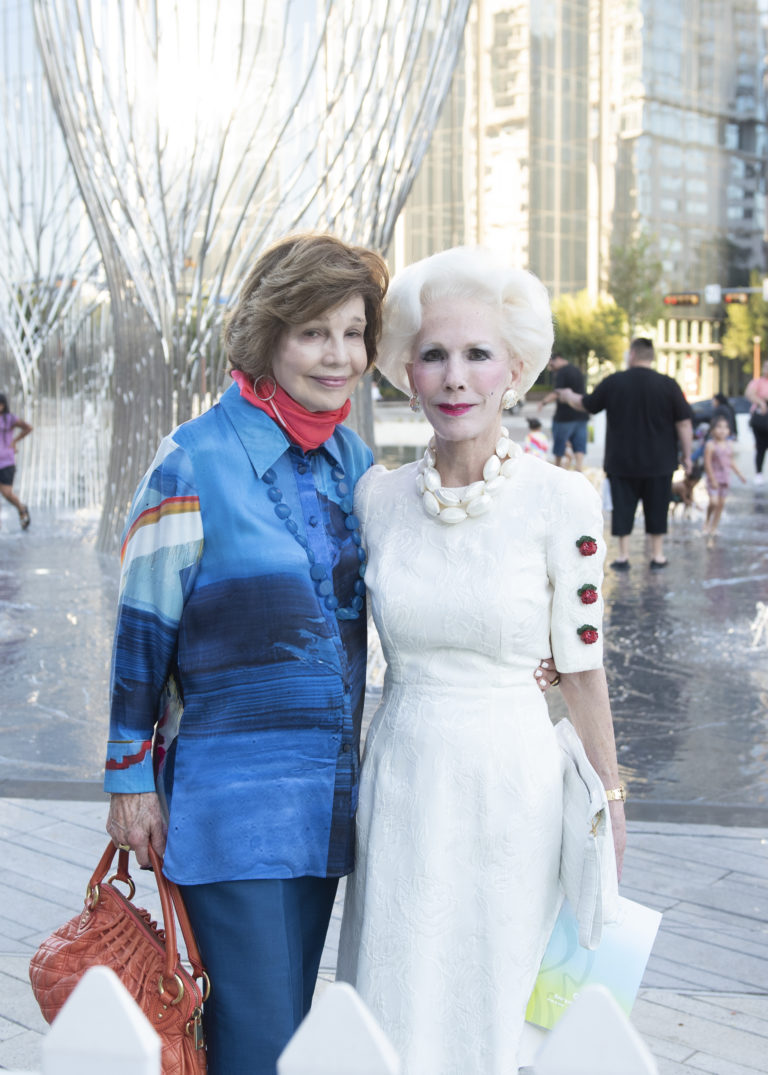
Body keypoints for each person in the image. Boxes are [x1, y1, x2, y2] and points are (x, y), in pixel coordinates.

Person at [103, 233, 389, 1075]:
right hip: (234, 808)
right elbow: (141, 631)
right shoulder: (194, 458)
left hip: (325, 806)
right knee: (259, 1049)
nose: (337, 355)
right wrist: (128, 778)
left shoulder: (353, 463)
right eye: (312, 332)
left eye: (352, 331)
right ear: (267, 335)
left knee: (284, 1033)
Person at [336, 247, 626, 1075]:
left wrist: (610, 798)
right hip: (402, 776)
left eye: (477, 354)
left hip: (515, 785)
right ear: (404, 372)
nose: (455, 376)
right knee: (395, 986)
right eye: (434, 354)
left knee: (500, 996)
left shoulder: (563, 498)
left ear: (516, 370)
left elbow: (581, 666)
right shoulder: (379, 498)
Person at [558, 337, 693, 571]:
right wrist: (688, 456)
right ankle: (657, 555)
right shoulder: (668, 384)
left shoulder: (615, 382)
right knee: (658, 507)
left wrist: (568, 396)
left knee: (622, 506)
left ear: (632, 354)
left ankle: (623, 556)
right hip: (660, 461)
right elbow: (684, 423)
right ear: (650, 357)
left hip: (621, 461)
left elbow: (587, 404)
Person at [537, 353, 589, 469]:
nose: (551, 368)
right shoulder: (577, 370)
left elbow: (557, 392)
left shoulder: (562, 372)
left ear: (558, 359)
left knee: (559, 443)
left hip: (565, 416)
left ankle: (558, 467)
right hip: (582, 414)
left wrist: (543, 402)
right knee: (579, 445)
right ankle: (579, 469)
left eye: (552, 364)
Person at [702, 415, 746, 539]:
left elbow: (730, 462)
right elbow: (707, 463)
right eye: (719, 427)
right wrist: (712, 479)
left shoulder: (729, 445)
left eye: (725, 427)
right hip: (714, 478)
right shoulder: (710, 445)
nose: (722, 430)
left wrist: (740, 475)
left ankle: (714, 527)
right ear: (712, 430)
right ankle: (707, 520)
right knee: (713, 502)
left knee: (721, 504)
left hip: (725, 478)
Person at [0, 393, 32, 530]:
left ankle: (21, 508)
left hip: (6, 461)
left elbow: (28, 427)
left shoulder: (9, 419)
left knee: (6, 493)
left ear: (2, 405)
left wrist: (15, 441)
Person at [745, 358, 768, 484]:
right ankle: (758, 473)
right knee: (761, 447)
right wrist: (761, 402)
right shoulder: (758, 382)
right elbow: (749, 393)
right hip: (761, 420)